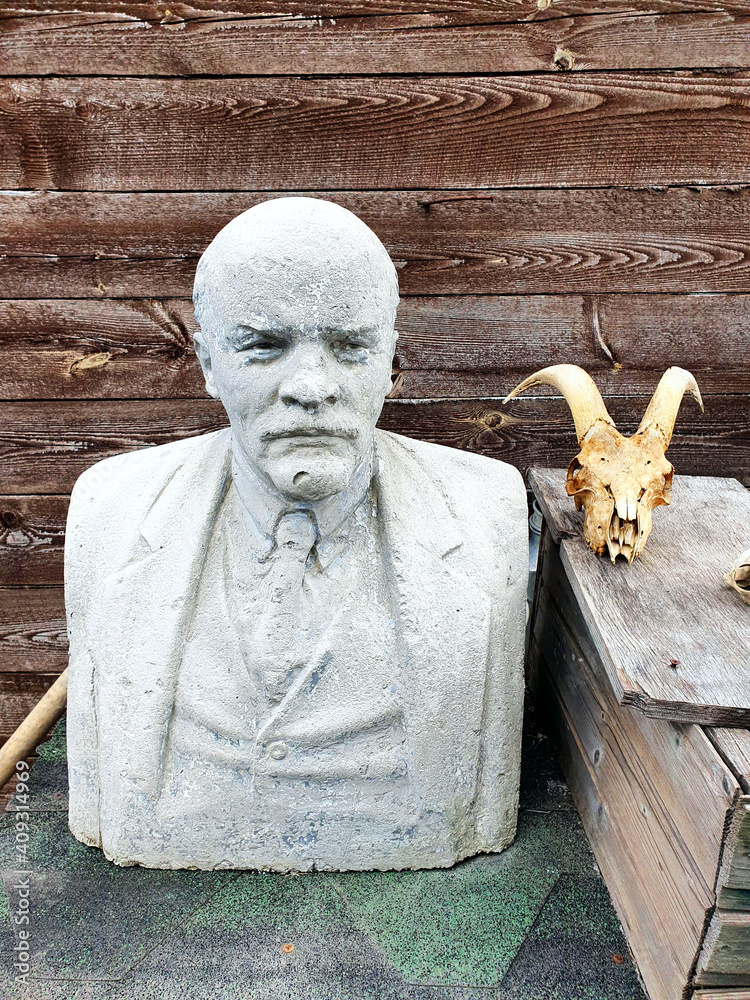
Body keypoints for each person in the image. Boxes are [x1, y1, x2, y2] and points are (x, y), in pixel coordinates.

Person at [65, 197, 528, 871]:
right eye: (264, 346)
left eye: (349, 347)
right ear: (208, 362)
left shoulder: (486, 511)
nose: (311, 386)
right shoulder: (111, 511)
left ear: (390, 362)